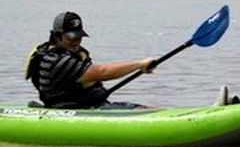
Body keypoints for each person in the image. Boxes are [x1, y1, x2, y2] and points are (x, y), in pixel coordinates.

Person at [25, 11, 158, 109]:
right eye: (70, 38)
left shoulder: (74, 53)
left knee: (150, 110)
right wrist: (140, 64)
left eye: (79, 37)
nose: (76, 42)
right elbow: (102, 73)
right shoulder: (57, 60)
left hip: (88, 106)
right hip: (72, 109)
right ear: (57, 36)